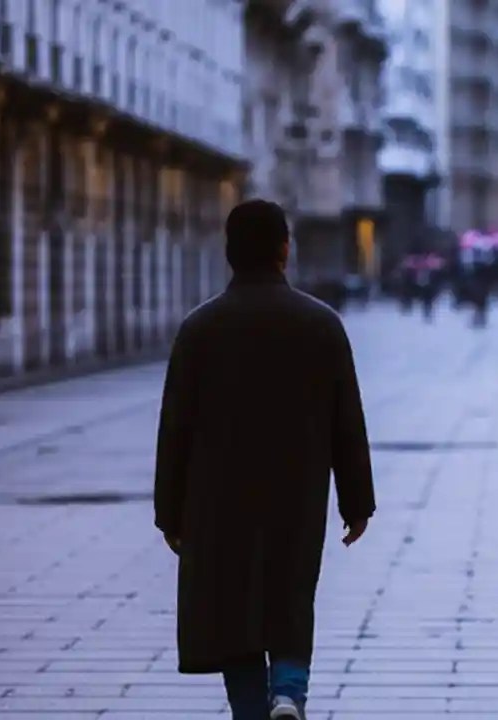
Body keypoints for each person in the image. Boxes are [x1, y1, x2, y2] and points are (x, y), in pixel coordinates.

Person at [154, 200, 376, 720]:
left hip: (218, 496)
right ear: (284, 249)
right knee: (291, 591)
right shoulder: (321, 324)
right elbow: (348, 421)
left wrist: (170, 511)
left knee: (234, 603)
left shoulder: (200, 328)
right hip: (296, 491)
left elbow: (174, 430)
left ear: (229, 253)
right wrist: (357, 501)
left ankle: (252, 708)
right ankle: (288, 694)